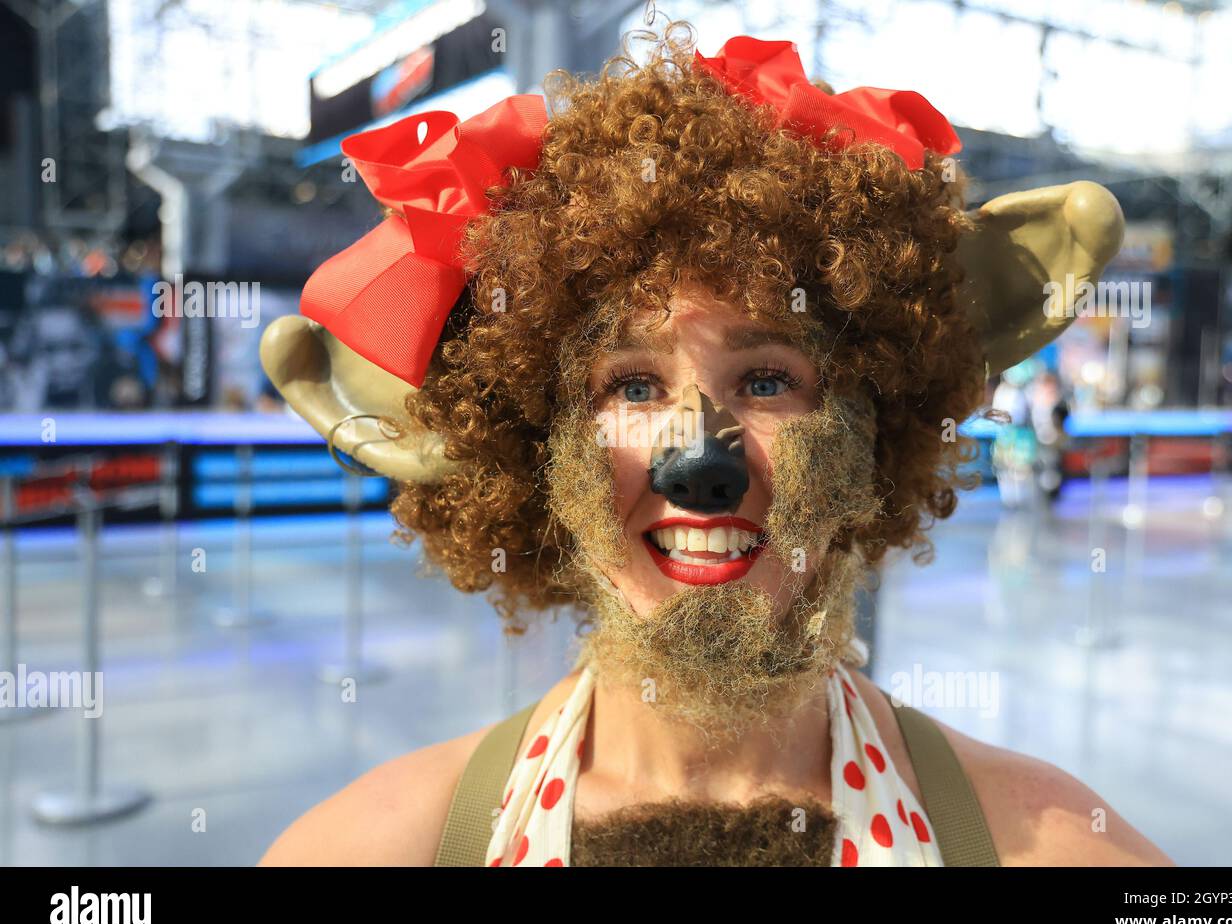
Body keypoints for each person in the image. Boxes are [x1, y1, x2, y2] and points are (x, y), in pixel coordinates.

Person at [257, 25, 1170, 866]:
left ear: (872, 429)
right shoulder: (376, 849)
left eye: (767, 380)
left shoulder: (1043, 844)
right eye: (631, 386)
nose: (699, 462)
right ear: (533, 451)